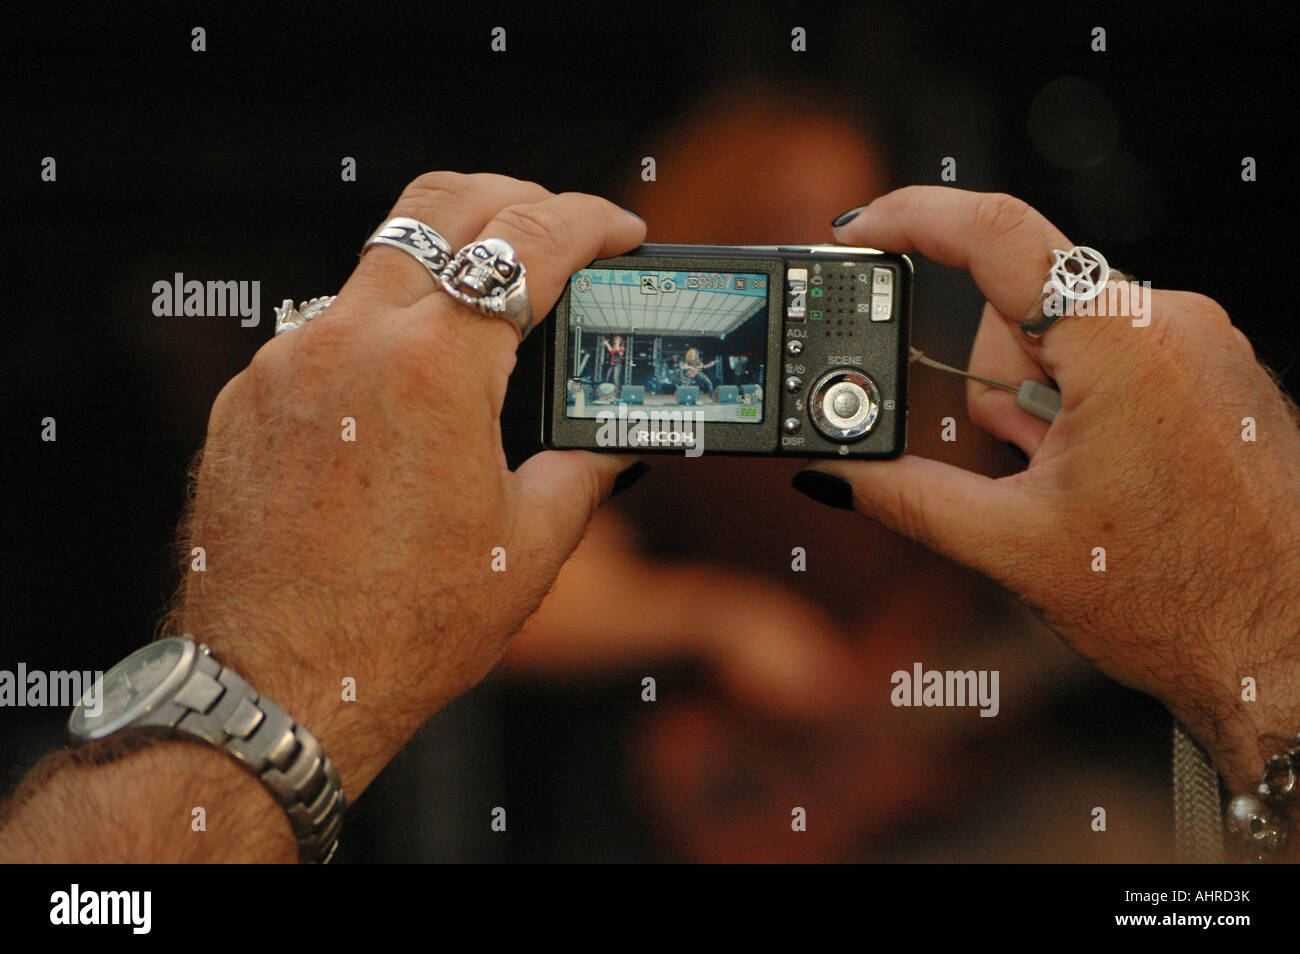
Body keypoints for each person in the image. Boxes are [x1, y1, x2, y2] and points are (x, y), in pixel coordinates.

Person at [0, 173, 1296, 862]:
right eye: (790, 246)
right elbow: (552, 606)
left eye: (842, 243)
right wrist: (714, 614)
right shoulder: (638, 480)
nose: (824, 286)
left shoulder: (984, 437)